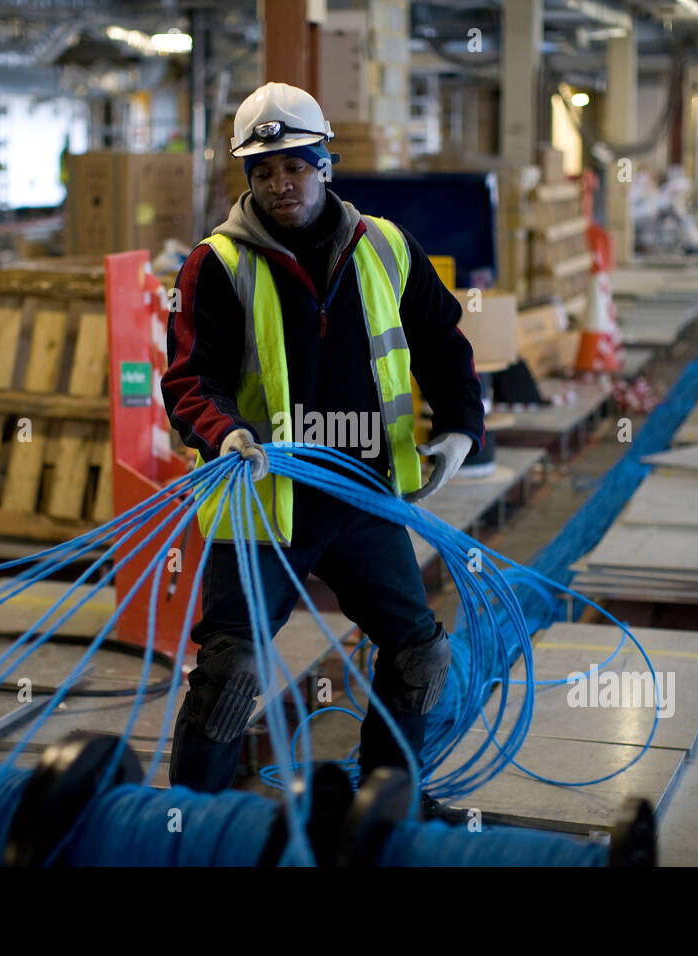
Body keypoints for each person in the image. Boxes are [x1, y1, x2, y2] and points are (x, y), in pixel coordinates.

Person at [161, 82, 485, 803]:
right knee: (231, 669)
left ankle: (383, 799)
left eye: (297, 165)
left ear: (325, 164)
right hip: (264, 506)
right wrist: (224, 433)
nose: (282, 183)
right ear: (249, 177)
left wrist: (461, 431)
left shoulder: (389, 248)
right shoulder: (214, 266)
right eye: (265, 170)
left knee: (421, 655)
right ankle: (184, 825)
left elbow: (442, 344)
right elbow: (189, 380)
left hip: (360, 497)